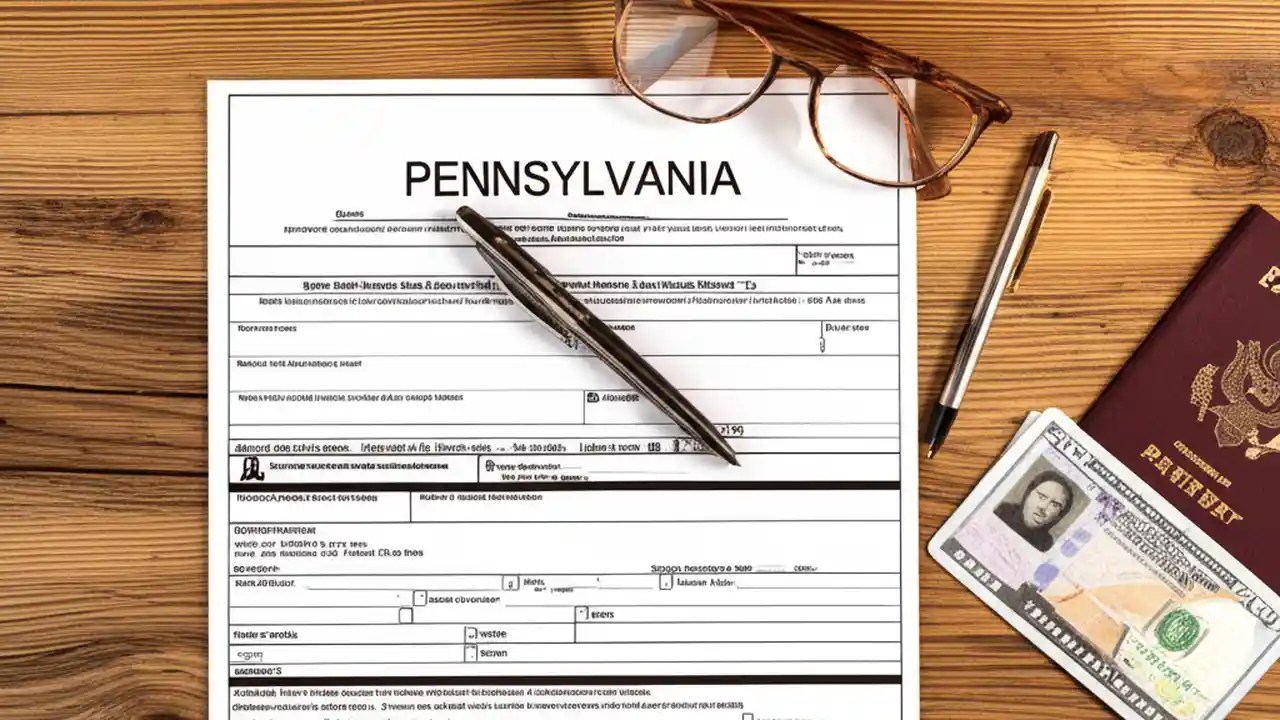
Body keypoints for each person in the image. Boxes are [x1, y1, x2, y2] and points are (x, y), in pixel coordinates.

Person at [995, 470, 1074, 552]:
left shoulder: (1045, 546)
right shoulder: (1002, 512)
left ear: (1059, 516)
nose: (1043, 507)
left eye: (1054, 505)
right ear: (1028, 493)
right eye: (1041, 496)